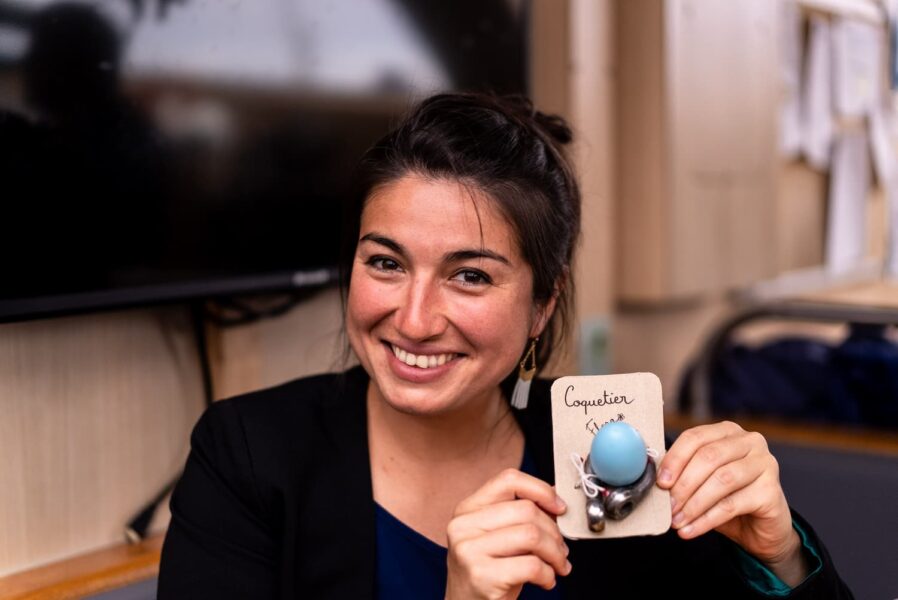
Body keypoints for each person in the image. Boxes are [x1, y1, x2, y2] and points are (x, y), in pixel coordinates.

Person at [157, 93, 853, 599]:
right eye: (386, 263)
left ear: (542, 304)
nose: (417, 317)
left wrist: (783, 558)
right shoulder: (248, 453)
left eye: (470, 276)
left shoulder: (614, 457)